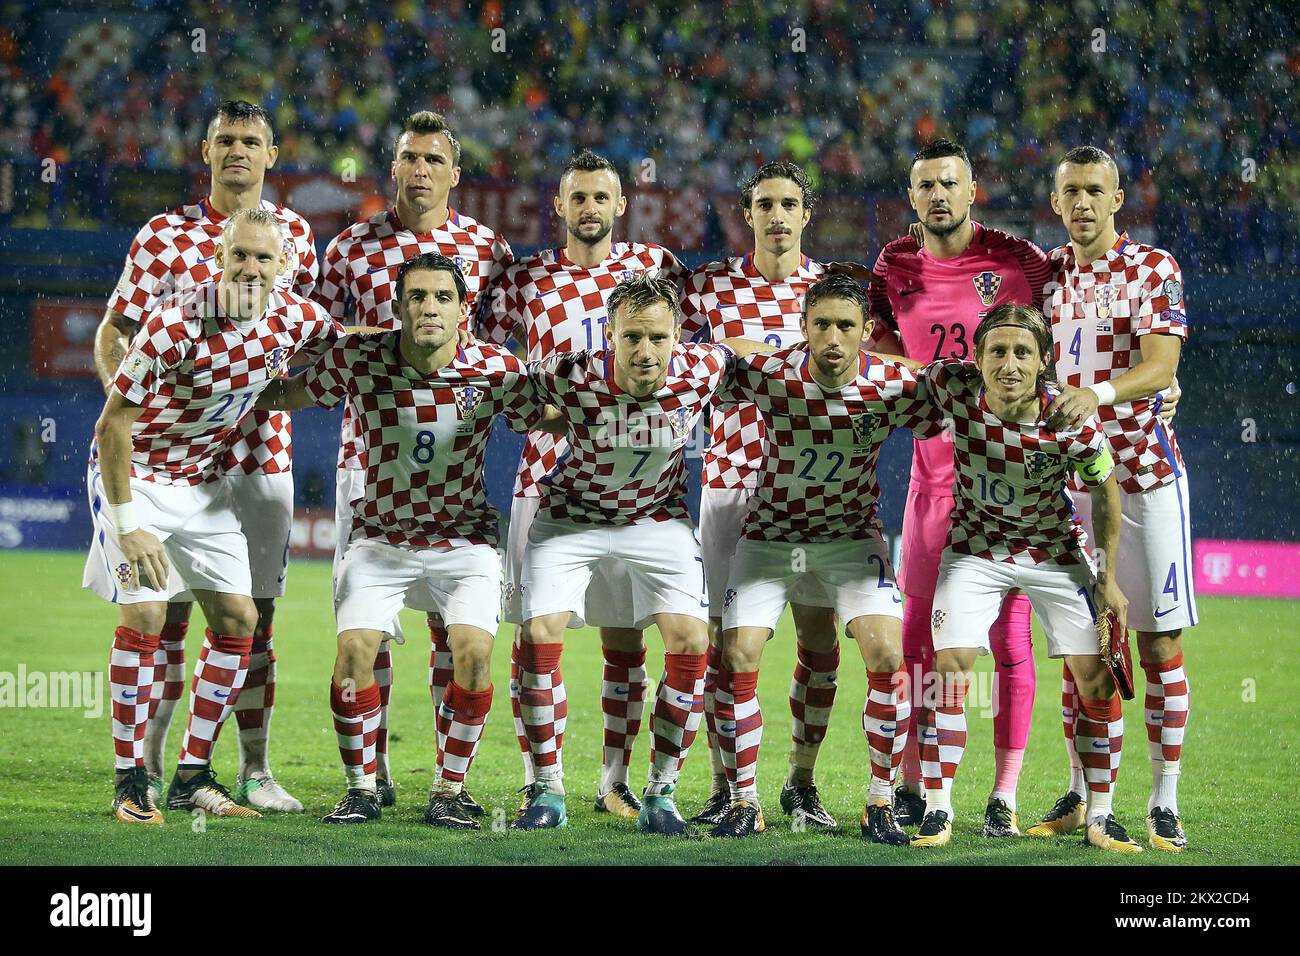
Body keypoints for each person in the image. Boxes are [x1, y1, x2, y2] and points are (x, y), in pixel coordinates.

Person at [260, 253, 552, 829]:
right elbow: (285, 395)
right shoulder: (359, 357)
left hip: (464, 540)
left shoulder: (496, 370)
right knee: (352, 656)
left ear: (464, 311)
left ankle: (449, 790)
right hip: (380, 539)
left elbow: (548, 415)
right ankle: (361, 789)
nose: (429, 307)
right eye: (417, 296)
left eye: (443, 297)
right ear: (397, 308)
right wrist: (218, 376)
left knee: (472, 654)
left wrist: (624, 410)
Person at [92, 100, 318, 813]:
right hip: (152, 457)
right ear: (206, 150)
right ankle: (139, 773)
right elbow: (115, 340)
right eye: (226, 140)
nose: (238, 152)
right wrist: (135, 397)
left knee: (250, 618)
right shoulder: (166, 253)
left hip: (241, 463)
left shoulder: (297, 242)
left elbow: (326, 346)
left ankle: (223, 772)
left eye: (252, 141)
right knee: (156, 616)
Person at [480, 149, 688, 819]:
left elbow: (692, 353)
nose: (591, 208)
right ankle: (541, 782)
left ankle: (614, 780)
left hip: (639, 485)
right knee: (536, 634)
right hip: (548, 482)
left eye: (603, 196)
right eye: (579, 198)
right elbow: (480, 346)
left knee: (626, 637)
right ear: (560, 206)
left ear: (621, 204)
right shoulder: (528, 277)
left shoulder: (655, 269)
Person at [511, 273, 758, 835]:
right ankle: (548, 791)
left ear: (677, 337)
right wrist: (549, 415)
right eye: (631, 338)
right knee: (539, 634)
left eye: (658, 337)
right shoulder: (571, 371)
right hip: (570, 517)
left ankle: (661, 794)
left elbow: (740, 351)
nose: (645, 352)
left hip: (657, 520)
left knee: (694, 640)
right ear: (611, 336)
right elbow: (515, 397)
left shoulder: (703, 367)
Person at [317, 110, 513, 813]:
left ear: (454, 174)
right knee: (370, 625)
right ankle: (371, 774)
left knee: (450, 625)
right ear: (393, 167)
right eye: (410, 157)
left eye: (434, 159)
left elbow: (492, 349)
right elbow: (320, 339)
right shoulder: (348, 248)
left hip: (453, 451)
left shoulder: (488, 250)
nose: (421, 169)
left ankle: (445, 774)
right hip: (363, 455)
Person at [865, 139, 1056, 836]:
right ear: (912, 197)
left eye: (950, 182)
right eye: (925, 186)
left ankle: (1003, 795)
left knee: (1010, 645)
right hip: (930, 485)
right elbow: (881, 352)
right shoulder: (894, 265)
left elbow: (1058, 350)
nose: (938, 194)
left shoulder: (1021, 262)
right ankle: (917, 782)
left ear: (974, 189)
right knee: (917, 641)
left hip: (1005, 485)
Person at [710, 275, 938, 844]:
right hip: (770, 537)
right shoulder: (773, 374)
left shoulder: (895, 385)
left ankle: (875, 799)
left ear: (867, 333)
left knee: (887, 655)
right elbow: (708, 360)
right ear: (805, 328)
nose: (833, 338)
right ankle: (743, 801)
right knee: (737, 654)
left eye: (845, 326)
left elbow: (965, 399)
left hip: (850, 541)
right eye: (821, 325)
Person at [909, 303, 1141, 853]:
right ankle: (939, 809)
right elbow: (897, 376)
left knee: (1096, 676)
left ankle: (1102, 816)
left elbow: (1106, 491)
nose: (1008, 364)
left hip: (1055, 552)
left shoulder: (1069, 421)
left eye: (1022, 353)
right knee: (952, 664)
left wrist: (1106, 577)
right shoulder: (953, 389)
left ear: (1043, 364)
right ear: (978, 357)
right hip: (975, 550)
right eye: (997, 351)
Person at [1035, 146, 1195, 852]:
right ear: (1055, 201)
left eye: (1095, 191)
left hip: (1144, 479)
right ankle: (1081, 790)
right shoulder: (1046, 277)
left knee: (1158, 644)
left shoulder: (1153, 268)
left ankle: (1165, 800)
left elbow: (1162, 365)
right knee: (1084, 649)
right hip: (1071, 484)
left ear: (1119, 198)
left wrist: (1094, 394)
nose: (1082, 204)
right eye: (1071, 192)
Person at [681, 161, 841, 830]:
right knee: (724, 643)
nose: (778, 215)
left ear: (807, 214)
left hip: (812, 489)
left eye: (790, 204)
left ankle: (802, 781)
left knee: (819, 638)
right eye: (766, 204)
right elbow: (671, 358)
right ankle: (727, 783)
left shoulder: (836, 291)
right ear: (747, 213)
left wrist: (749, 354)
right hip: (729, 482)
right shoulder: (708, 287)